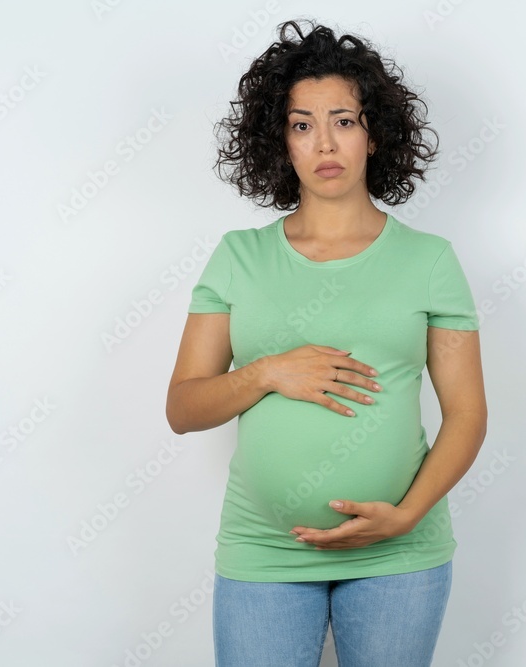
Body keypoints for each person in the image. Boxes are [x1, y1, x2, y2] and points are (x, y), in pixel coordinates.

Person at [165, 18, 487, 667]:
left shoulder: (430, 261)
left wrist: (407, 514)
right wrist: (266, 372)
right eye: (301, 124)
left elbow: (467, 414)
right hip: (264, 549)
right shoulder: (240, 258)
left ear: (375, 132)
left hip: (400, 551)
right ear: (279, 140)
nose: (324, 142)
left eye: (343, 119)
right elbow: (183, 407)